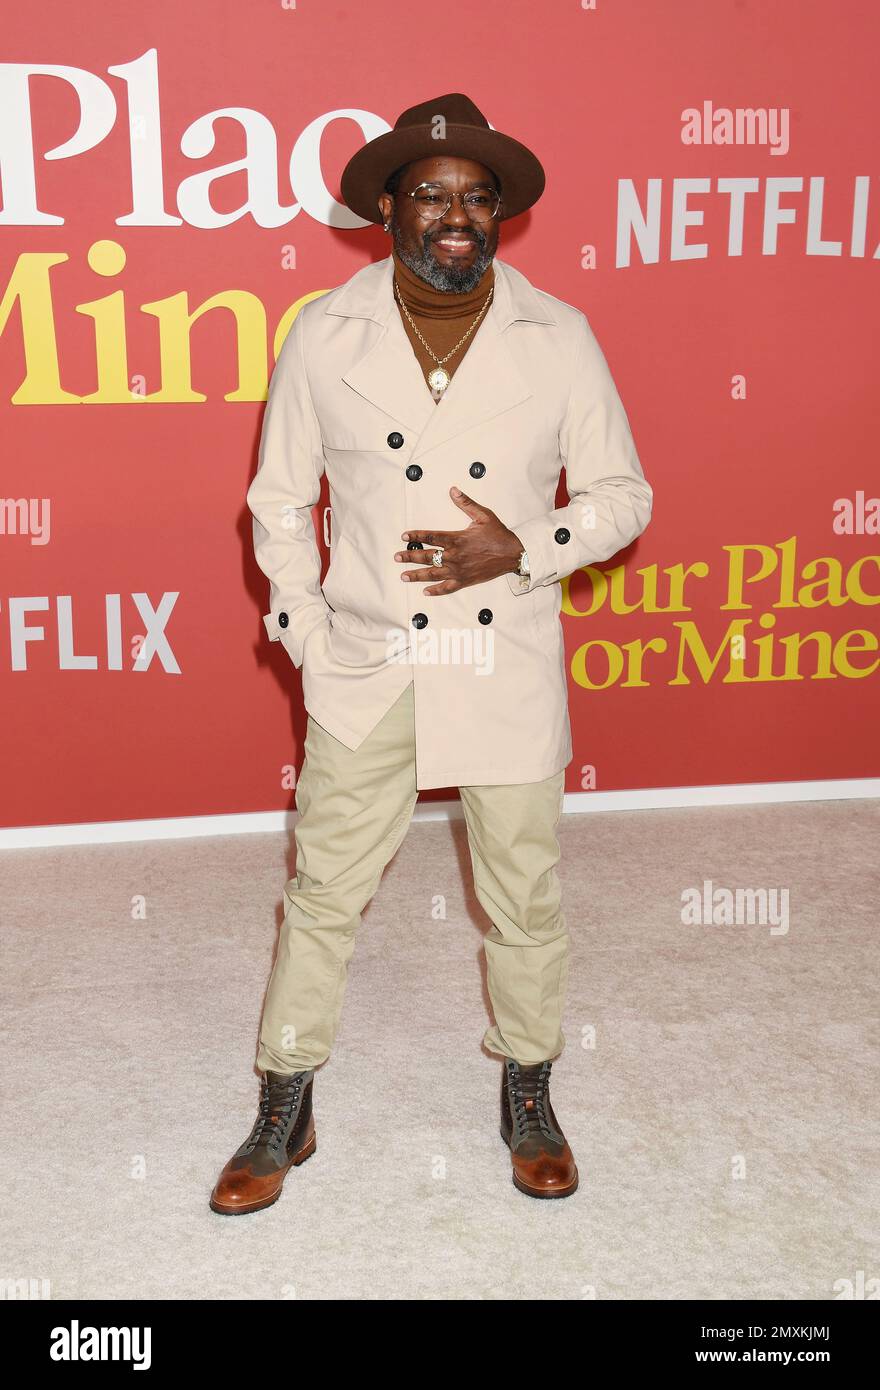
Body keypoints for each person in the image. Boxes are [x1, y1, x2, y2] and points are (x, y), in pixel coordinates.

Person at [210, 92, 653, 1215]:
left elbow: (622, 496)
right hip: (366, 656)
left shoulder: (560, 335)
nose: (452, 214)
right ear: (390, 211)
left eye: (472, 196)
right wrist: (304, 633)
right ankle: (285, 1094)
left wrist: (531, 543)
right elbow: (276, 502)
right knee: (322, 889)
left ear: (496, 211)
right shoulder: (321, 330)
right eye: (429, 194)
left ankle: (528, 1083)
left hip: (501, 654)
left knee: (524, 892)